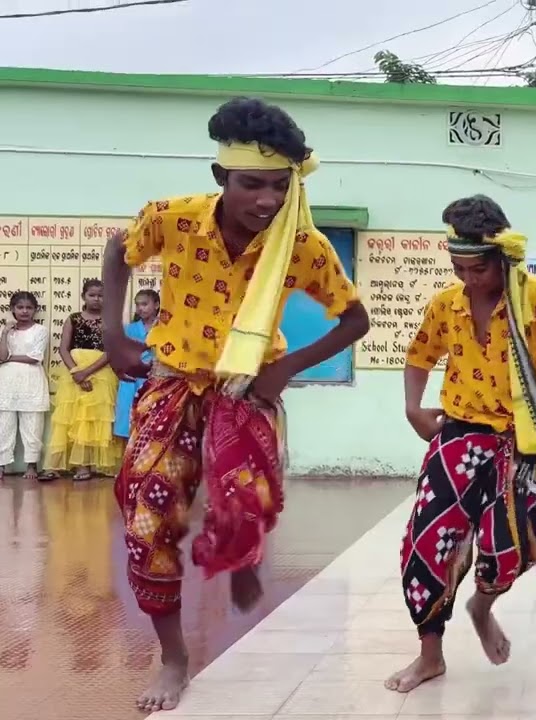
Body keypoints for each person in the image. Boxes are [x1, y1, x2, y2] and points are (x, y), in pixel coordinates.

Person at [99, 96, 370, 713]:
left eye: (280, 187)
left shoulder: (300, 245)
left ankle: (240, 548)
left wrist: (286, 367)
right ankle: (173, 657)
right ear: (222, 177)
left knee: (244, 507)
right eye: (252, 185)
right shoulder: (172, 218)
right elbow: (120, 251)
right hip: (172, 380)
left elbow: (354, 318)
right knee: (149, 519)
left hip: (247, 390)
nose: (266, 201)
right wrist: (114, 334)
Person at [386, 195, 536, 693]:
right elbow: (420, 355)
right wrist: (412, 406)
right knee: (428, 545)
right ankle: (430, 656)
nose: (468, 280)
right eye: (458, 268)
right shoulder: (446, 305)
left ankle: (482, 606)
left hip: (527, 441)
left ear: (504, 259)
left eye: (478, 270)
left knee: (518, 544)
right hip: (460, 436)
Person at [43, 279, 120, 481]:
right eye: (92, 295)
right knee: (75, 418)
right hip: (73, 374)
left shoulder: (111, 321)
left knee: (96, 417)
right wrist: (77, 372)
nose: (97, 299)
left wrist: (87, 373)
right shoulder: (73, 318)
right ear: (83, 296)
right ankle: (80, 466)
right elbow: (63, 348)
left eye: (101, 295)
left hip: (101, 373)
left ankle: (96, 465)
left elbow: (112, 350)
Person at [0, 291, 50, 481]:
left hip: (32, 382)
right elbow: (1, 356)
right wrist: (5, 333)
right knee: (4, 426)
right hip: (7, 383)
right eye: (20, 307)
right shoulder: (6, 331)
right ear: (12, 309)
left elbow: (34, 357)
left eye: (29, 308)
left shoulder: (40, 330)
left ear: (35, 310)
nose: (24, 311)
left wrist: (9, 359)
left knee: (33, 426)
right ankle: (2, 465)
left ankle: (32, 466)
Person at [113, 288, 160, 440]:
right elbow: (120, 355)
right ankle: (129, 462)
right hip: (131, 380)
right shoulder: (129, 329)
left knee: (153, 424)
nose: (140, 308)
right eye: (138, 304)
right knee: (128, 423)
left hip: (155, 380)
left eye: (145, 304)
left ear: (157, 305)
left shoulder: (164, 329)